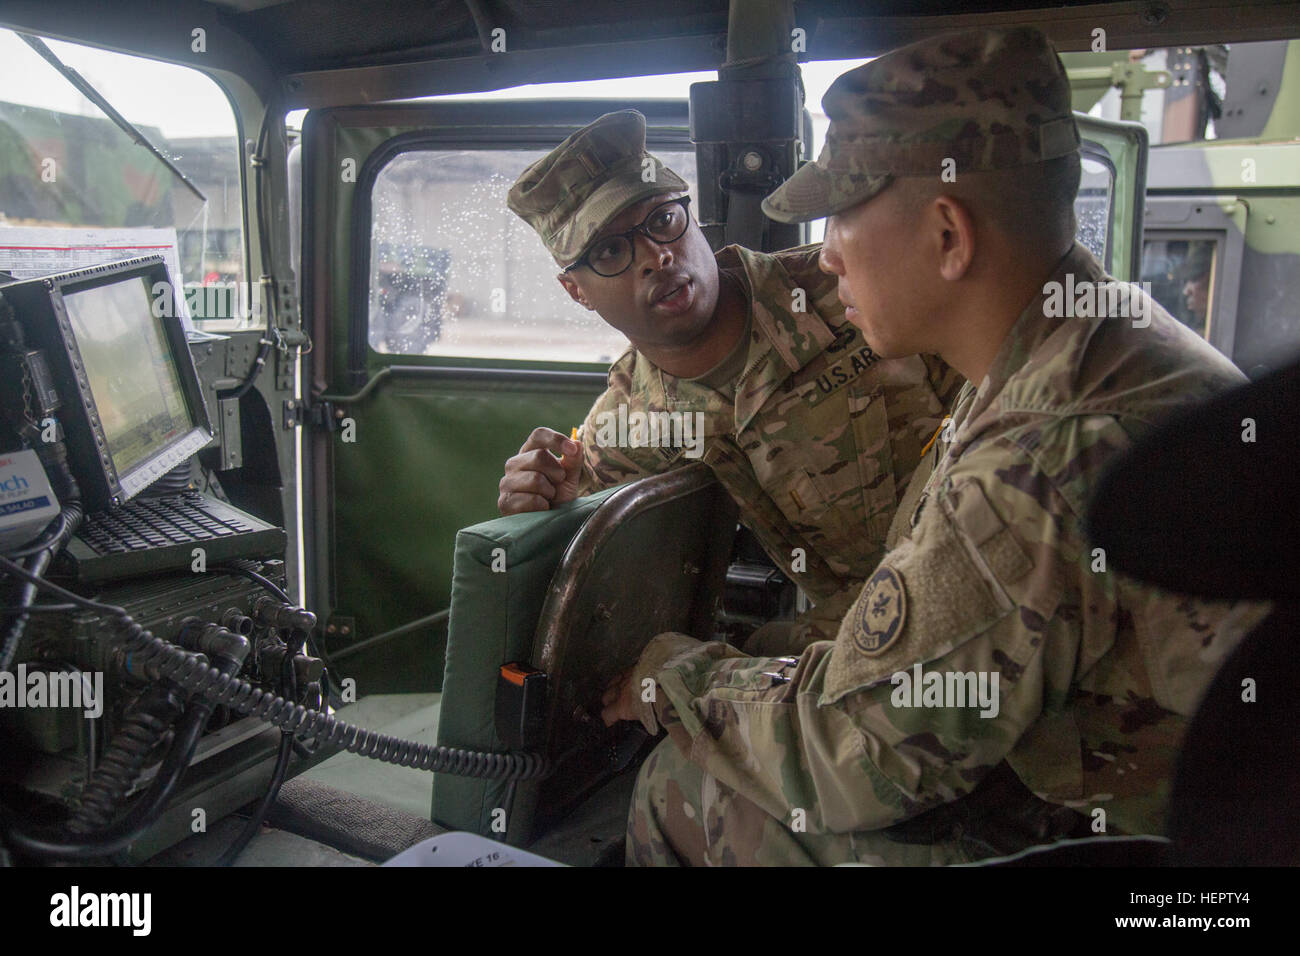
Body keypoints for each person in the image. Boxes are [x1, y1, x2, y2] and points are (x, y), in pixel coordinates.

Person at [599, 26, 1271, 866]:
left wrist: (671, 678)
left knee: (682, 791)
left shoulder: (1036, 455)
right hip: (1171, 787)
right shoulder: (1093, 333)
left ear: (949, 235)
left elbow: (859, 758)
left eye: (843, 216)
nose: (829, 255)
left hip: (1157, 856)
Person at [501, 110, 963, 651]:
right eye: (609, 251)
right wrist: (546, 511)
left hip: (977, 584)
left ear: (691, 216)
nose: (657, 257)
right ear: (575, 290)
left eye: (662, 220)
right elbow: (597, 575)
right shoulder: (626, 428)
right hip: (864, 634)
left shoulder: (848, 292)